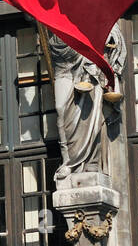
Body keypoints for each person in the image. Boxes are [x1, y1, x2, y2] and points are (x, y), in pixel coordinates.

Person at [47, 23, 126, 181]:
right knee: (60, 108)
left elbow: (113, 32)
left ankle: (88, 162)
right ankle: (68, 161)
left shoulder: (91, 11)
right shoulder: (56, 11)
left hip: (86, 67)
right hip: (63, 66)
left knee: (91, 114)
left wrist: (106, 36)